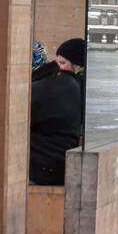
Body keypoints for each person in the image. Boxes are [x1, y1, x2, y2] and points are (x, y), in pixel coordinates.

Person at [29, 37, 86, 185]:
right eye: (57, 62)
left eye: (62, 63)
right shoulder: (72, 85)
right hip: (57, 166)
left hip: (41, 170)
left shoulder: (58, 86)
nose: (58, 68)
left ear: (78, 66)